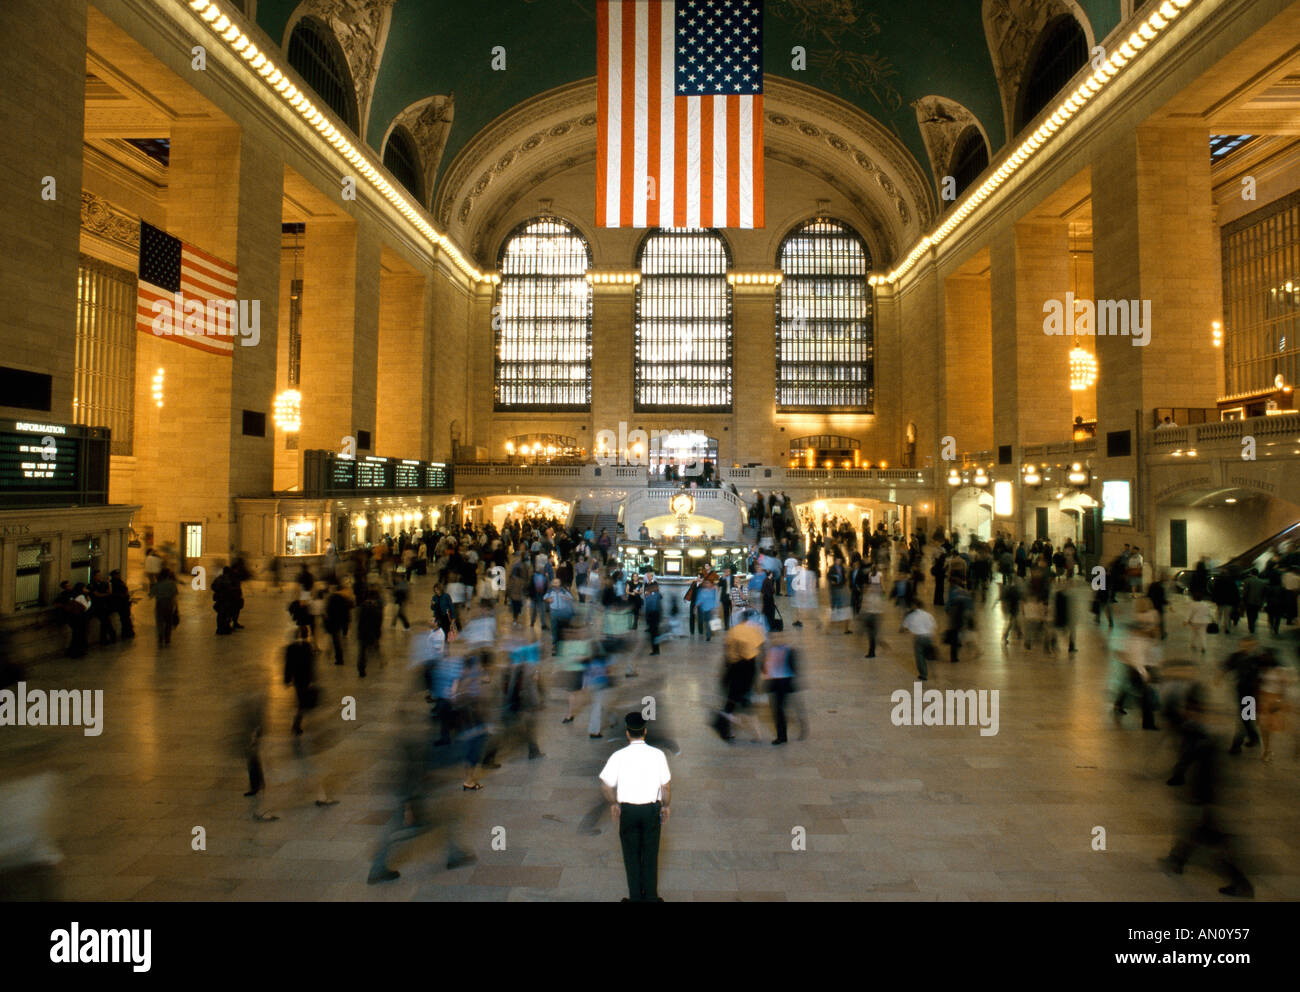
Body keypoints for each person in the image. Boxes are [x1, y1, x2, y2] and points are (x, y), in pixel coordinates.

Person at [1158, 684, 1254, 898]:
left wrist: (1189, 786)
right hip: (1205, 796)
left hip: (1205, 797)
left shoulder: (1200, 735)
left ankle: (1241, 883)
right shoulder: (1202, 732)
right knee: (1198, 833)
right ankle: (1177, 861)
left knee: (1212, 840)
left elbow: (1197, 764)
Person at [599, 712, 671, 902]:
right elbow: (665, 787)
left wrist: (614, 803)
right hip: (651, 810)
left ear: (627, 733)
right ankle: (652, 897)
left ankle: (635, 897)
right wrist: (665, 806)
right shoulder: (658, 755)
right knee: (650, 853)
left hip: (628, 812)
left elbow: (605, 786)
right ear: (645, 732)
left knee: (631, 855)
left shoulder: (618, 756)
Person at [762, 632, 805, 745]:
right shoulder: (770, 651)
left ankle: (782, 736)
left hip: (784, 682)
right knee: (778, 710)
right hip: (775, 683)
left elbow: (795, 668)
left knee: (779, 710)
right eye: (774, 637)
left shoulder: (790, 651)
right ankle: (782, 735)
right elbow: (765, 667)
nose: (776, 639)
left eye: (779, 637)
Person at [901, 602, 936, 682]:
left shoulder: (911, 615)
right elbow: (933, 626)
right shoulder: (928, 615)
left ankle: (923, 675)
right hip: (928, 637)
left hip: (918, 638)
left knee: (919, 657)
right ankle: (932, 670)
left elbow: (904, 627)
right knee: (928, 654)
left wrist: (907, 630)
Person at [150, 568, 179, 648]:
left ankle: (160, 636)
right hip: (169, 604)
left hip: (159, 604)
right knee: (168, 622)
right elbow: (174, 596)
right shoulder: (172, 584)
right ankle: (167, 638)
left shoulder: (158, 584)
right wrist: (176, 607)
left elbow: (151, 595)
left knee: (160, 621)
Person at [108, 570, 134, 640]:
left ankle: (128, 632)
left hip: (124, 602)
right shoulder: (112, 583)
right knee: (124, 618)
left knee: (126, 618)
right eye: (117, 574)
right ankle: (126, 633)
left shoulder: (120, 581)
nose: (118, 575)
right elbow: (112, 594)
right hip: (119, 603)